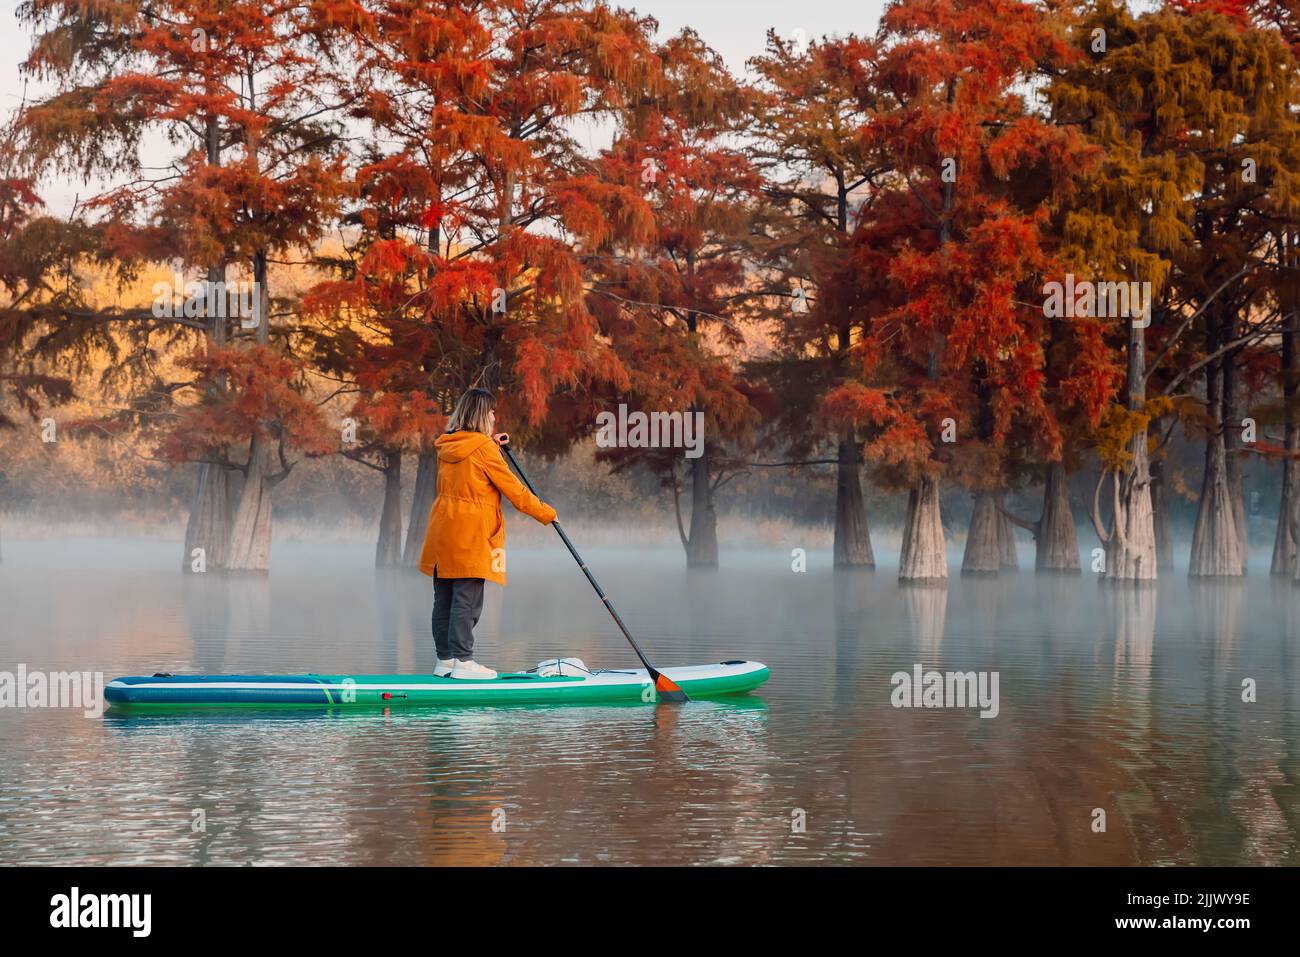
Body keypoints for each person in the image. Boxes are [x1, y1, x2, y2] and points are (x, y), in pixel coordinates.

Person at [418, 388, 557, 678]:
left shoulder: (449, 444)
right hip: (471, 533)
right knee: (466, 599)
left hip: (443, 529)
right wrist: (547, 513)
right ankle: (464, 663)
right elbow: (516, 492)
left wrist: (491, 445)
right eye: (492, 411)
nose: (495, 416)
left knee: (444, 597)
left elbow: (472, 464)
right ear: (483, 414)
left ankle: (445, 661)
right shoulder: (483, 448)